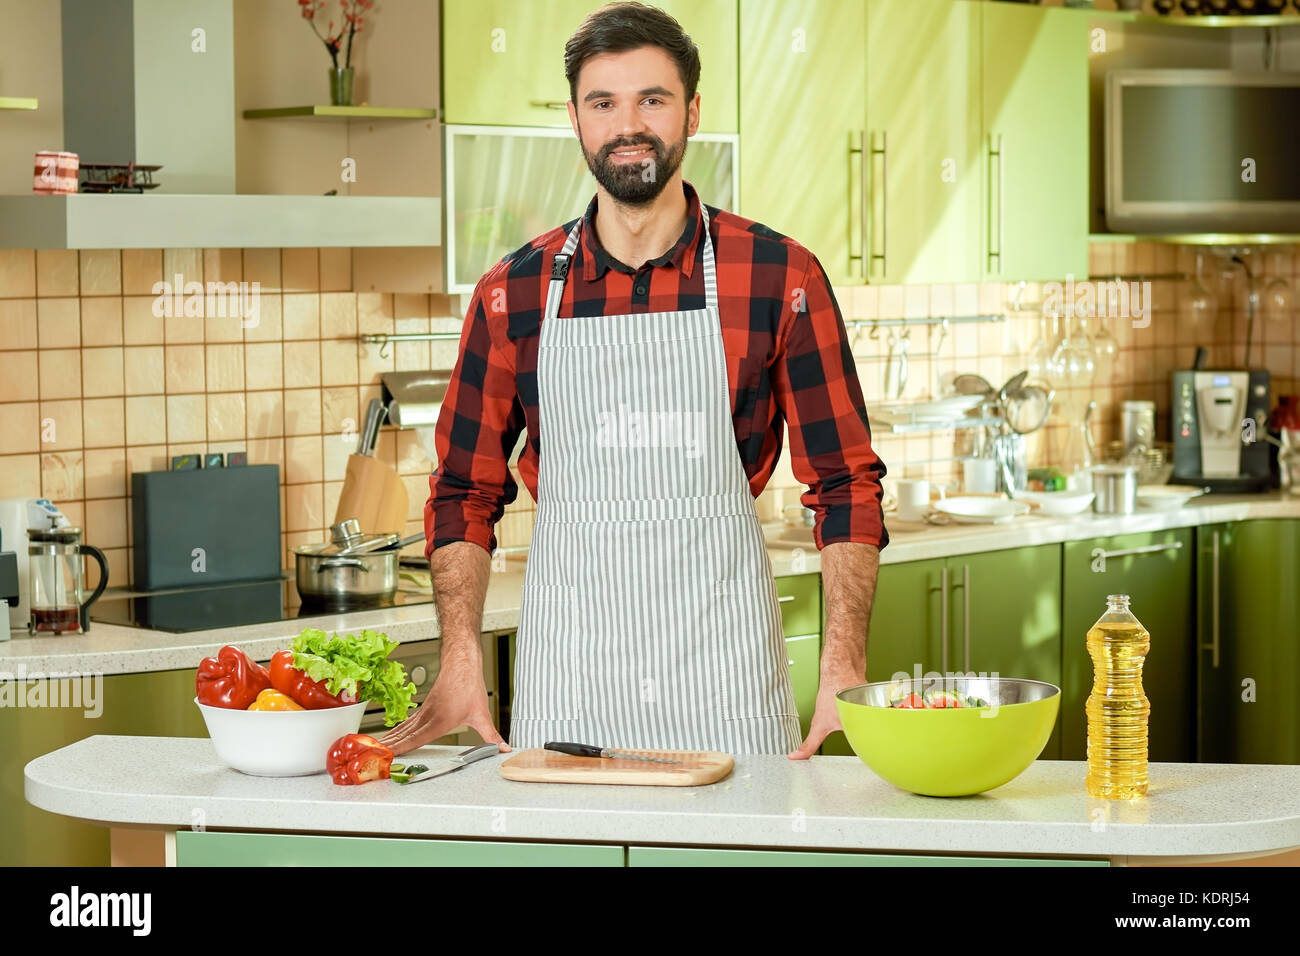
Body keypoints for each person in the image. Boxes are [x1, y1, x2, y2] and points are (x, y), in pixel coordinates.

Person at [379, 1, 887, 760]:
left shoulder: (779, 276)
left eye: (653, 99)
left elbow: (846, 483)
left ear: (692, 113)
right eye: (603, 102)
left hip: (728, 683)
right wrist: (460, 661)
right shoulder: (510, 293)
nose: (629, 123)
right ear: (577, 121)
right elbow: (462, 490)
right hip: (572, 682)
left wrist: (843, 667)